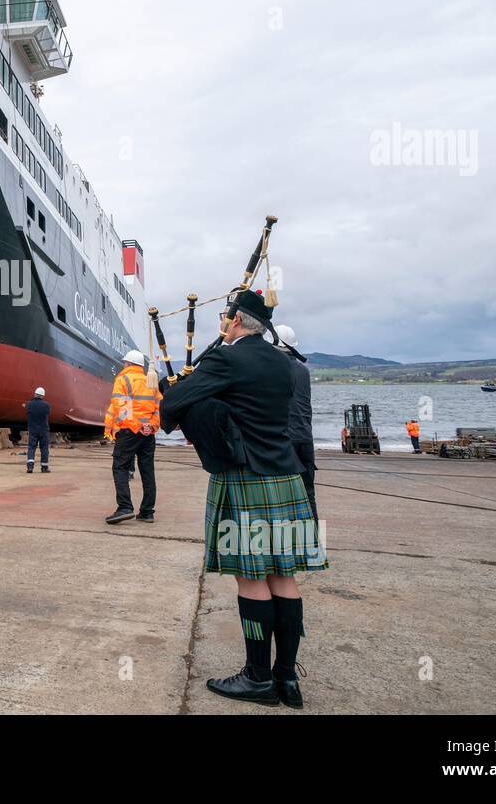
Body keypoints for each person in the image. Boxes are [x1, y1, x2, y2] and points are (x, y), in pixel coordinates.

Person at [160, 289, 327, 710]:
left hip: (245, 479)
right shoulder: (284, 364)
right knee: (283, 579)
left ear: (235, 321)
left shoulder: (226, 358)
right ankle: (286, 679)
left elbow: (175, 403)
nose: (223, 321)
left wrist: (176, 383)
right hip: (287, 476)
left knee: (251, 580)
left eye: (225, 315)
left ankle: (256, 677)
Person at [104, 349, 161, 524]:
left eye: (125, 363)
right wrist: (149, 426)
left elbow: (122, 409)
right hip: (148, 433)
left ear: (128, 364)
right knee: (147, 471)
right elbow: (157, 409)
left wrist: (137, 427)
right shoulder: (151, 380)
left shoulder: (123, 379)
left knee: (120, 467)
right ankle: (147, 512)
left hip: (129, 432)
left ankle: (124, 508)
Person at [274, 324, 316, 519]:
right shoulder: (303, 370)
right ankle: (313, 541)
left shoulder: (274, 368)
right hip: (305, 438)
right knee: (308, 493)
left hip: (285, 440)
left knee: (281, 497)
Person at [26, 387, 51, 473]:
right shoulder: (46, 405)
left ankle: (30, 467)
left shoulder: (29, 404)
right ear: (43, 396)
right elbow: (47, 413)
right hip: (43, 430)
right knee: (44, 448)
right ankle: (44, 467)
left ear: (35, 394)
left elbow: (28, 412)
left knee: (31, 447)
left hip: (33, 429)